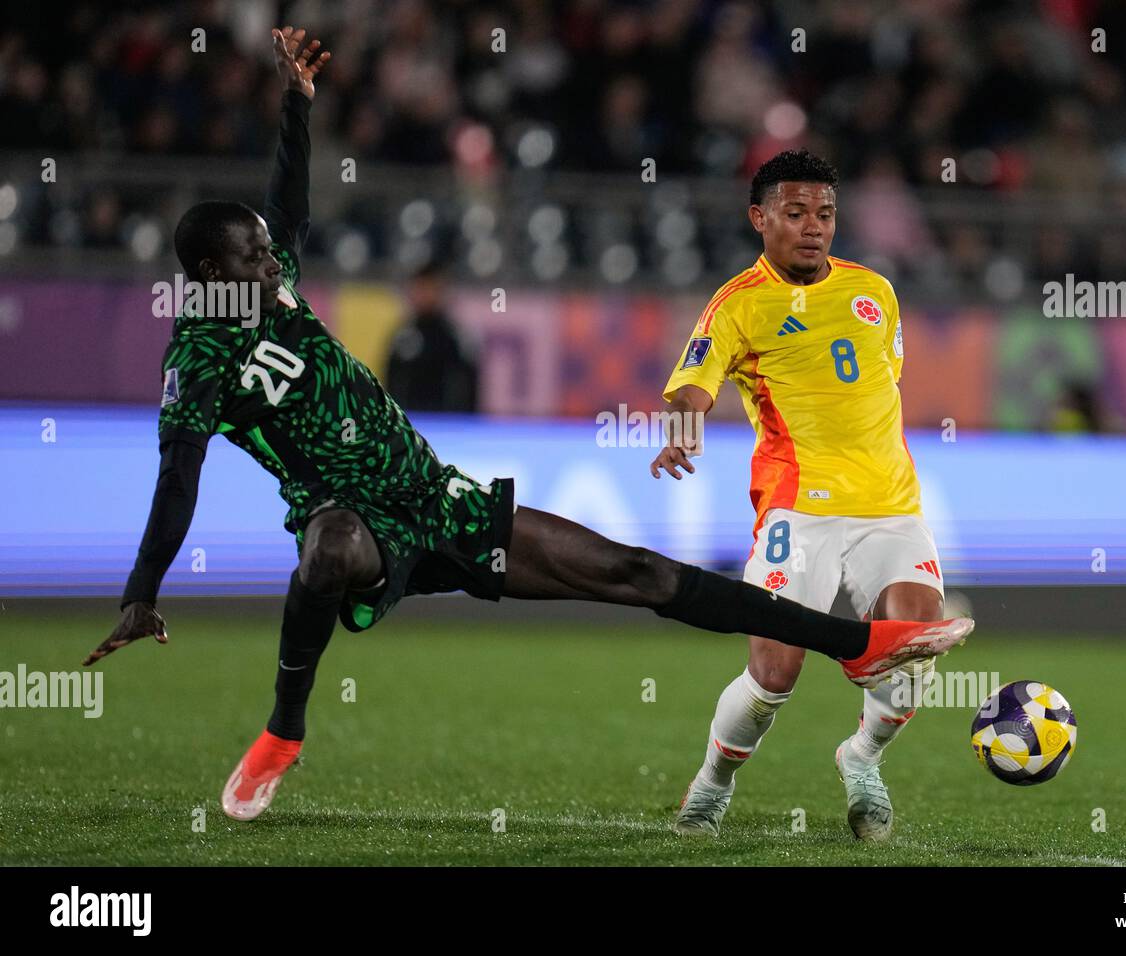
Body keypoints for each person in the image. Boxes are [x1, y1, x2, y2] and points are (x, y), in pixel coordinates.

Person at [84, 33, 972, 825]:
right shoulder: (194, 363)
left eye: (270, 249)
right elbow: (178, 477)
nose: (275, 258)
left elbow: (291, 203)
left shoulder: (273, 281)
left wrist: (296, 105)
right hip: (354, 516)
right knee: (331, 549)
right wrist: (141, 590)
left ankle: (859, 649)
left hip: (442, 498)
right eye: (254, 252)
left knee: (639, 573)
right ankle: (282, 731)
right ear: (210, 271)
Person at [651, 148, 952, 841]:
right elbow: (694, 384)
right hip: (798, 508)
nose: (814, 227)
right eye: (795, 213)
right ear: (760, 218)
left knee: (914, 653)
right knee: (774, 672)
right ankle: (712, 784)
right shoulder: (738, 303)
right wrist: (681, 430)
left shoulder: (874, 290)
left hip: (889, 505)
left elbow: (883, 381)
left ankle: (862, 760)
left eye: (825, 213)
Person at [384, 262, 478, 412]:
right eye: (421, 288)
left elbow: (469, 388)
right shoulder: (402, 338)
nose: (425, 295)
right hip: (410, 422)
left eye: (431, 288)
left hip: (448, 425)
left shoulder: (455, 339)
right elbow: (390, 385)